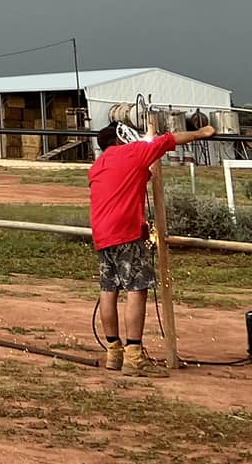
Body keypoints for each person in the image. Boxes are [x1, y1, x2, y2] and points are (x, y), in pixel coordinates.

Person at [89, 115, 217, 374]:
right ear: (123, 138)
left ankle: (114, 352)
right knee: (137, 289)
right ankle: (134, 355)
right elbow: (168, 140)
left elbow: (137, 178)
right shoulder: (134, 152)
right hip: (126, 233)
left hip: (102, 235)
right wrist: (201, 133)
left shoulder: (98, 165)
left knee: (108, 289)